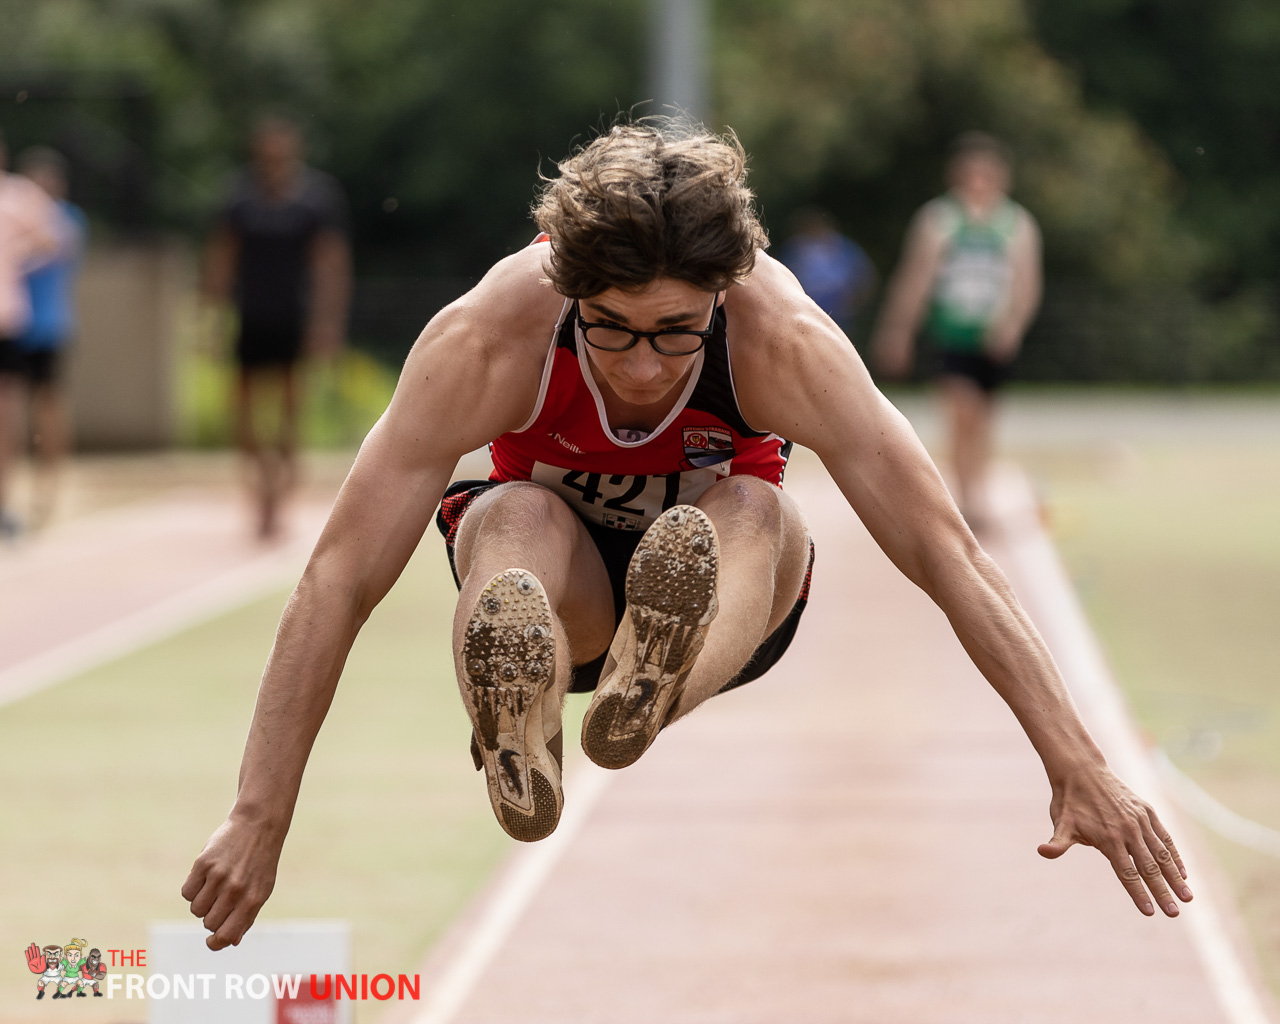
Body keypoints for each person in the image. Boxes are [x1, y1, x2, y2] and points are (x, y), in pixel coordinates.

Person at [182, 121, 1189, 952]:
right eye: (611, 328)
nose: (641, 366)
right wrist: (258, 815)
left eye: (674, 332)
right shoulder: (487, 336)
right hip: (561, 593)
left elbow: (943, 549)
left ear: (723, 289)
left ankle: (650, 685)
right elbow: (339, 574)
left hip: (730, 596)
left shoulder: (783, 339)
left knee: (758, 507)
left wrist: (1075, 761)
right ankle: (521, 706)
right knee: (512, 512)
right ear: (565, 284)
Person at [872, 132, 1042, 529]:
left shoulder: (1016, 224)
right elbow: (915, 279)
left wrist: (1012, 327)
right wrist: (898, 331)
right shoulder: (939, 221)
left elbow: (1028, 284)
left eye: (986, 174)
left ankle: (976, 488)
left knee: (982, 419)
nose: (978, 182)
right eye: (971, 174)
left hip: (992, 339)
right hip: (951, 334)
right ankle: (968, 500)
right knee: (961, 412)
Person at [201, 116, 352, 539]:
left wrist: (328, 323)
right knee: (243, 410)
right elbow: (221, 258)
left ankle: (280, 491)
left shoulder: (315, 200)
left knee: (289, 409)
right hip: (250, 317)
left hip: (292, 318)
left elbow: (330, 264)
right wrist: (211, 319)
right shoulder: (239, 199)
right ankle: (260, 486)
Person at [14, 147, 87, 530]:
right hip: (14, 324)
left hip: (47, 325)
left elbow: (56, 250)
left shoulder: (64, 219)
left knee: (48, 406)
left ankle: (49, 487)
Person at [0, 129, 60, 538]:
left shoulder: (17, 196)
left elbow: (53, 237)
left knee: (7, 416)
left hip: (5, 321)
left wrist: (17, 254)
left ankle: (5, 499)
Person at [777, 207, 876, 337]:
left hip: (841, 318)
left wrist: (854, 305)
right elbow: (780, 281)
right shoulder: (794, 250)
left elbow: (866, 277)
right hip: (804, 318)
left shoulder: (844, 247)